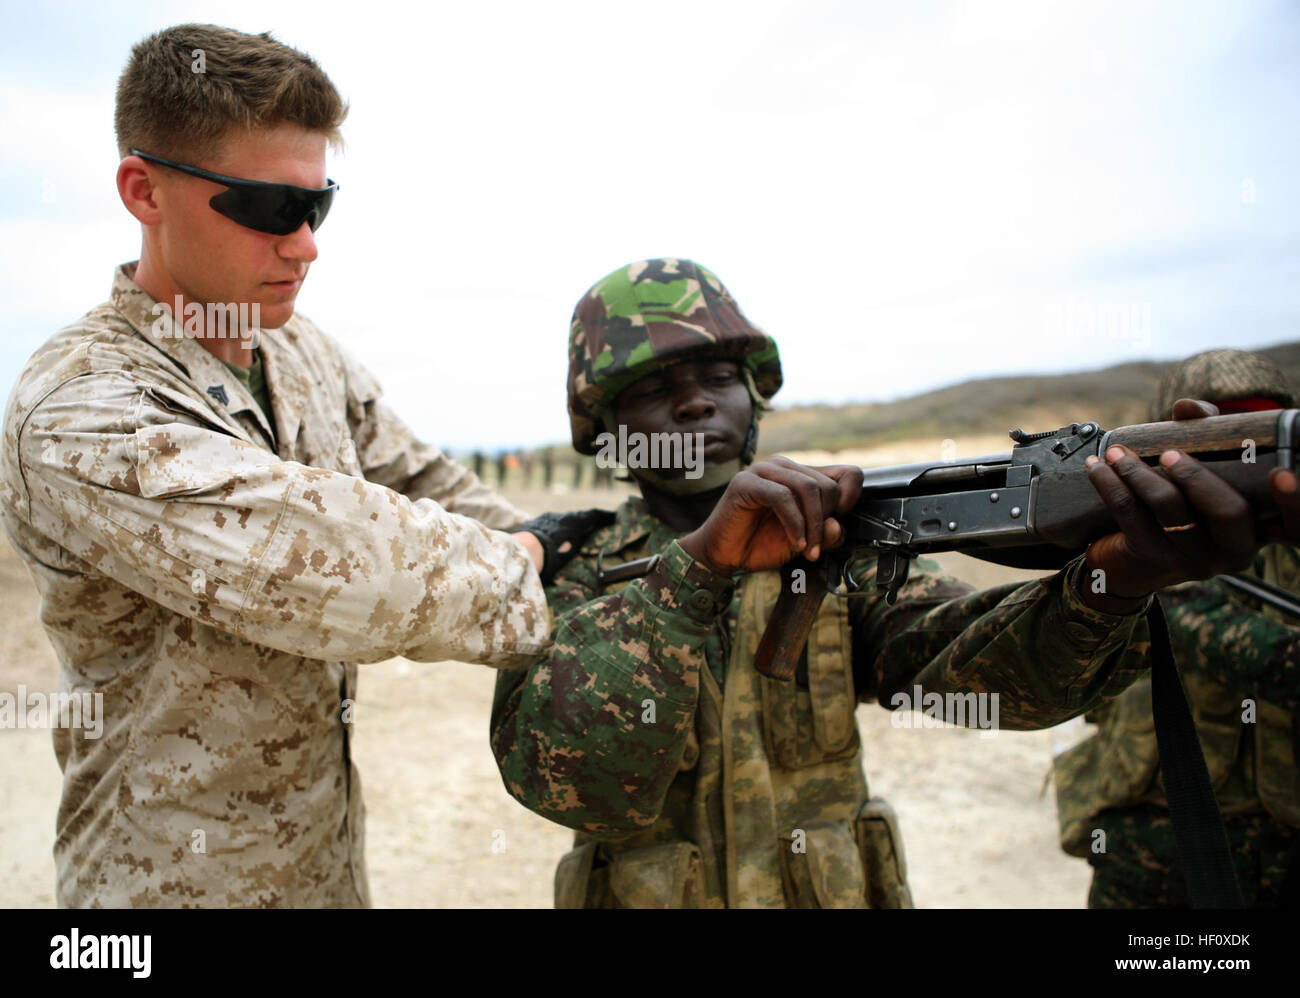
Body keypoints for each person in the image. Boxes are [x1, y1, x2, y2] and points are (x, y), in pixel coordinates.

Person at [489, 259, 1299, 908]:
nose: (696, 402)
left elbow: (977, 677)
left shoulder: (833, 541)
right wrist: (695, 573)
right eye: (654, 390)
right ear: (605, 431)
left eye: (717, 378)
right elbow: (575, 786)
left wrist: (1109, 585)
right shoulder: (574, 569)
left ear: (755, 398)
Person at [0, 24, 551, 907]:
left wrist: (558, 542)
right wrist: (524, 565)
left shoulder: (301, 353)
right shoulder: (80, 408)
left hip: (324, 865)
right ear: (144, 191)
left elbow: (423, 484)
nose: (304, 244)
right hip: (165, 888)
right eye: (267, 209)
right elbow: (347, 573)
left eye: (317, 206)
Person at [1054, 348, 1299, 907]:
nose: (1239, 457)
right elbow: (1217, 632)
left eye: (1254, 432)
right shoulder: (1129, 528)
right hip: (1157, 828)